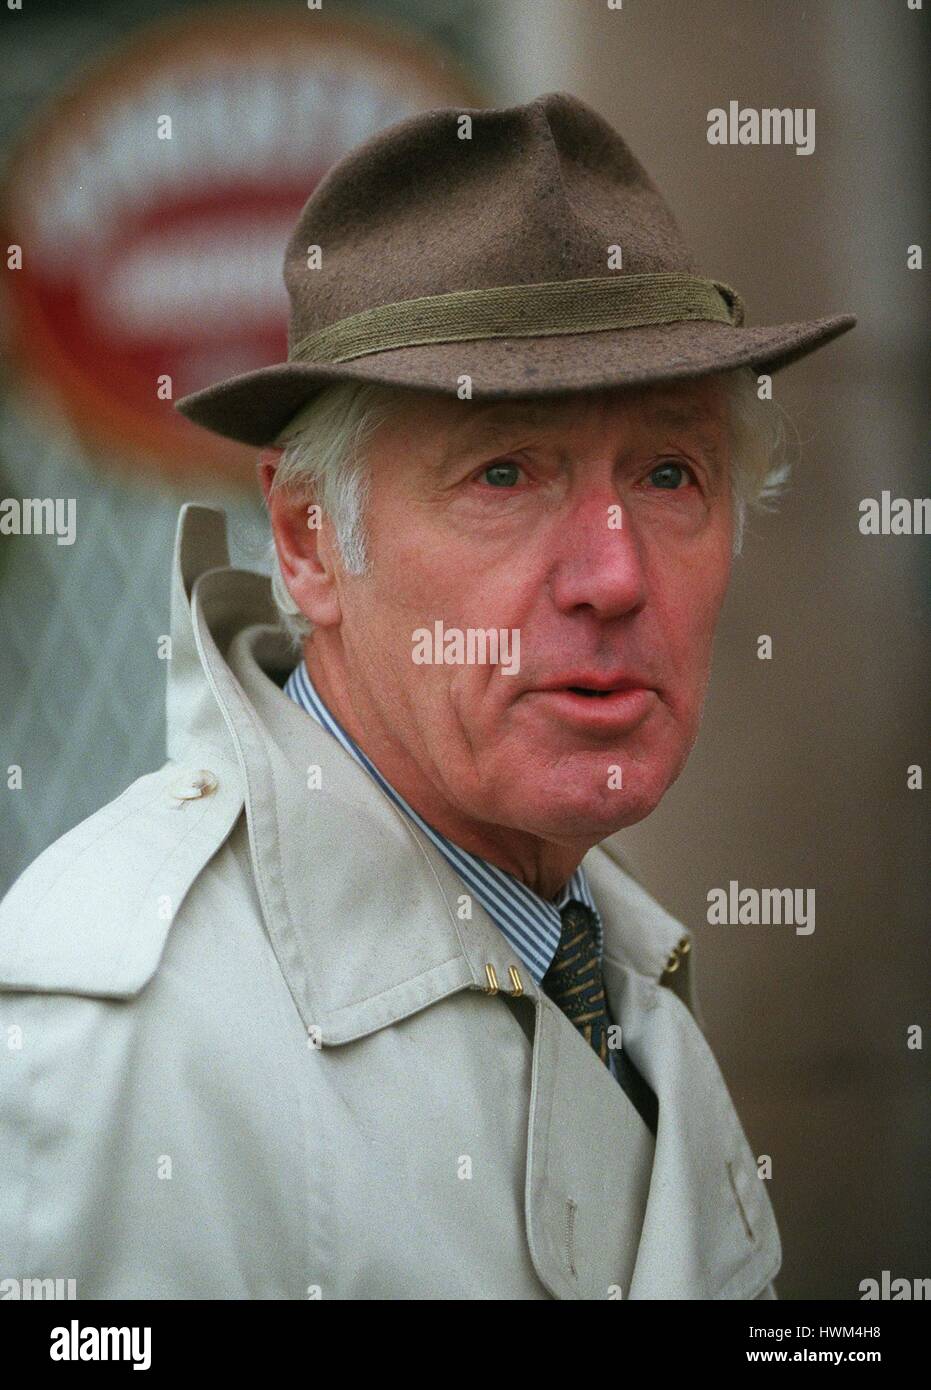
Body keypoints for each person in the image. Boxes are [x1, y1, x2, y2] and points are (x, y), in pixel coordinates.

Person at [0, 92, 855, 1299]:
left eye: (670, 473)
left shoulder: (594, 957)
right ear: (305, 541)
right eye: (503, 472)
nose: (614, 575)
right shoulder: (120, 1034)